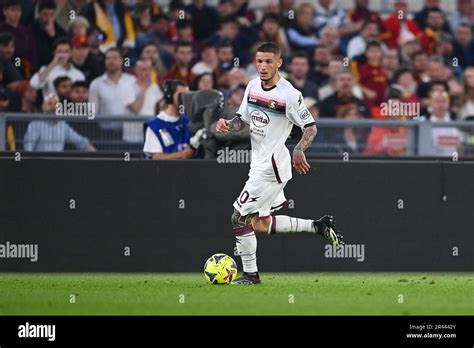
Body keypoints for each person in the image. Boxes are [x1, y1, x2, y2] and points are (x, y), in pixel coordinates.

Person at [215, 42, 343, 285]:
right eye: (259, 61)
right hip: (258, 162)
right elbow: (243, 119)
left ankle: (251, 276)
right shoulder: (252, 86)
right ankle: (318, 226)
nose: (263, 66)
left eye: (268, 62)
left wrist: (299, 149)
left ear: (279, 63)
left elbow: (311, 127)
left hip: (271, 167)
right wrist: (228, 125)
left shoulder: (290, 95)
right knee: (260, 224)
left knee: (238, 217)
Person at [143, 79, 194, 160]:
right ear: (169, 96)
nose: (185, 99)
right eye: (181, 95)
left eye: (187, 95)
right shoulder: (155, 125)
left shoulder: (189, 121)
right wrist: (181, 155)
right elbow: (156, 157)